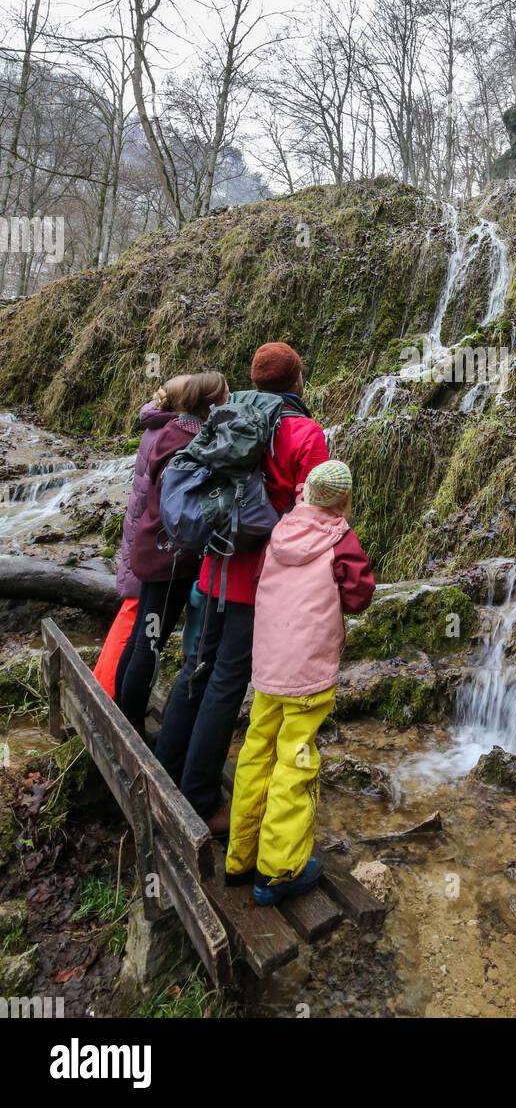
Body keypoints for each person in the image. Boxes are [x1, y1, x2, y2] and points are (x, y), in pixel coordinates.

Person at [155, 342, 329, 833]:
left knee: (197, 669)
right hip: (259, 582)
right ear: (297, 381)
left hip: (214, 566)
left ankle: (166, 771)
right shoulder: (304, 432)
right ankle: (200, 799)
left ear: (254, 382)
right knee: (228, 682)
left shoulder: (228, 417)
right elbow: (312, 520)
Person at [226, 459, 375, 904]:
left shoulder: (281, 531)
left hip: (269, 669)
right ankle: (278, 871)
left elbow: (259, 582)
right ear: (344, 503)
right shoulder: (341, 540)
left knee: (256, 752)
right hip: (309, 674)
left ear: (305, 494)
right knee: (296, 763)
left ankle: (240, 857)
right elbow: (360, 595)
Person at [114, 371, 229, 736]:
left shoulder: (171, 430)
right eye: (227, 395)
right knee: (150, 641)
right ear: (212, 403)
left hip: (153, 548)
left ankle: (121, 711)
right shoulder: (192, 444)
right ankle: (130, 725)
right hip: (170, 560)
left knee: (140, 638)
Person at [94, 392, 189, 699]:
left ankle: (106, 687)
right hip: (153, 541)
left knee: (133, 617)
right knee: (138, 624)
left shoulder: (155, 427)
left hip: (140, 533)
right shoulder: (171, 433)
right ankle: (108, 693)